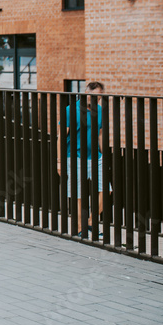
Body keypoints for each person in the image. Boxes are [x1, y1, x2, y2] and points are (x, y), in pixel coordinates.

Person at [57, 81, 109, 237]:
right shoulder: (70, 110)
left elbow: (99, 134)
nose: (93, 99)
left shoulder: (99, 110)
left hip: (95, 156)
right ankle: (80, 227)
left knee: (106, 190)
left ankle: (92, 223)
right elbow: (61, 137)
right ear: (85, 93)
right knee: (78, 194)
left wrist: (103, 154)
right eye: (91, 96)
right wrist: (59, 161)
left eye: (97, 97)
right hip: (74, 156)